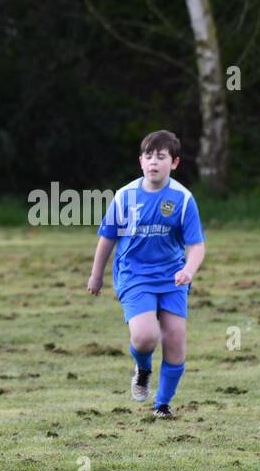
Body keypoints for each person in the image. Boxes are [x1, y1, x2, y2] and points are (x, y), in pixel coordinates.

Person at [87, 129, 205, 418]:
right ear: (141, 162)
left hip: (172, 277)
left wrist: (188, 270)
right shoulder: (124, 196)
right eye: (148, 156)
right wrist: (96, 275)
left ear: (174, 163)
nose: (154, 162)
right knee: (144, 338)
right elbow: (107, 238)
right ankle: (143, 368)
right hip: (133, 274)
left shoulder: (183, 199)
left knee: (175, 342)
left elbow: (197, 246)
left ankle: (162, 405)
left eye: (161, 157)